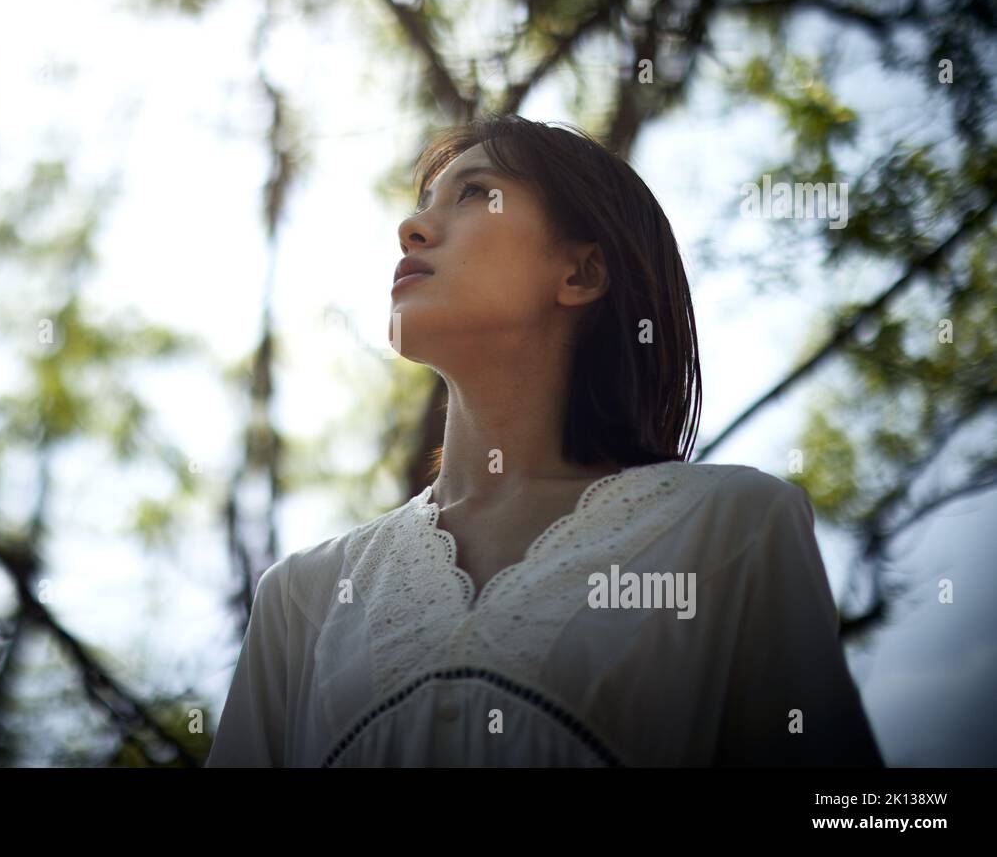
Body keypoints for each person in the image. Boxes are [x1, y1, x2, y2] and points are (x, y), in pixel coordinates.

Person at [206, 114, 884, 767]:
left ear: (581, 274)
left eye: (474, 193)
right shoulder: (301, 598)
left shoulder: (732, 528)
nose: (412, 227)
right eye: (425, 202)